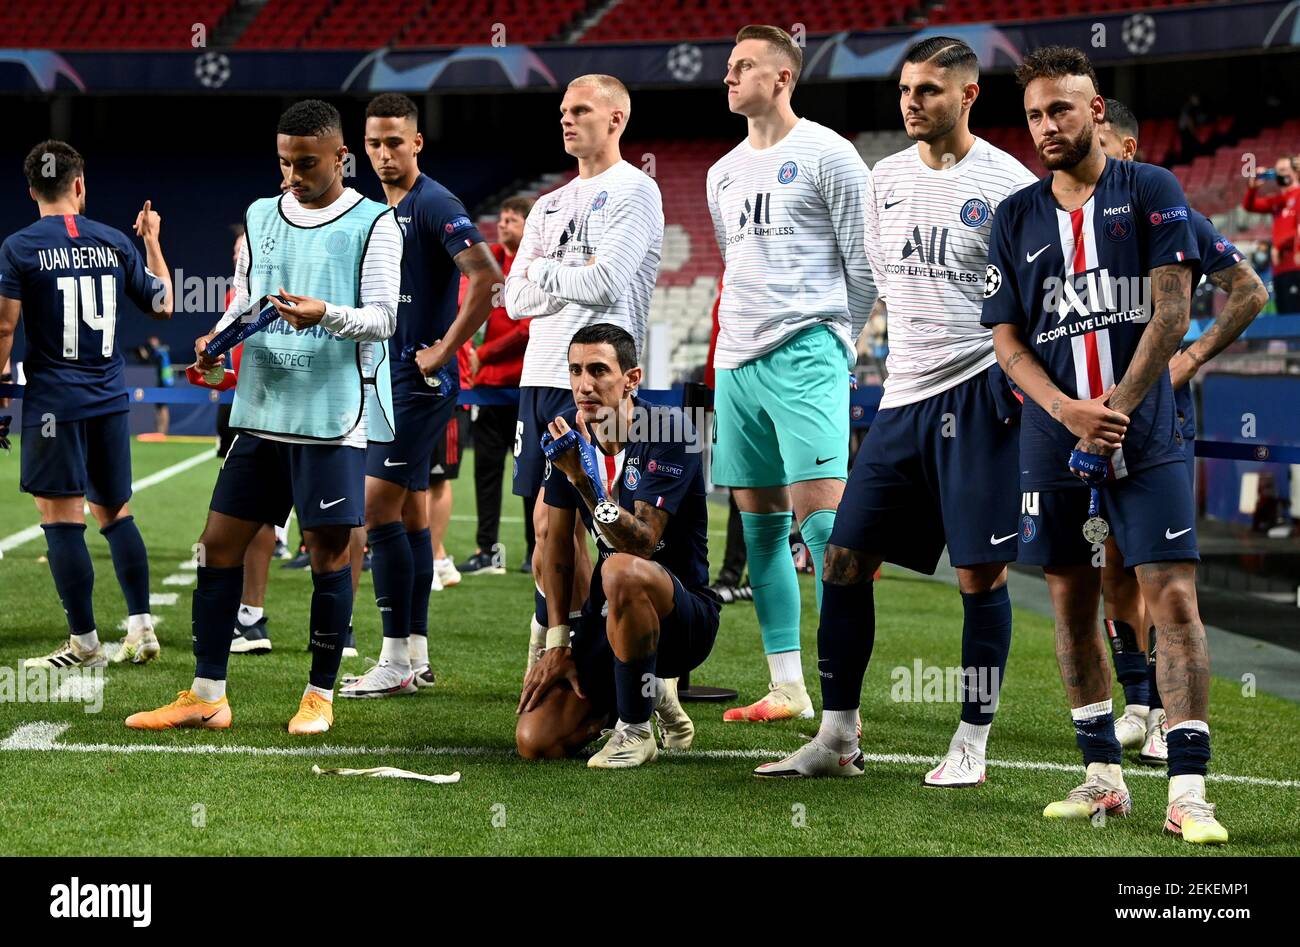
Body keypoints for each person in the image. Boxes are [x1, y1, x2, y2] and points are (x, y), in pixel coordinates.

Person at [755, 37, 1036, 784]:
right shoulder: (883, 178)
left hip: (981, 395)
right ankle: (838, 736)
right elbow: (882, 275)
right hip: (901, 398)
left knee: (980, 575)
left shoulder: (1010, 183)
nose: (912, 102)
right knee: (844, 560)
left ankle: (972, 741)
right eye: (907, 90)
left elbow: (1031, 303)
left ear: (969, 96)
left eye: (930, 91)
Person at [981, 47, 1227, 844]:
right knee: (1070, 601)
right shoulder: (1014, 216)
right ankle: (1102, 776)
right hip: (1053, 439)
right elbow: (1008, 340)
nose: (1047, 126)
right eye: (1034, 115)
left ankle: (1188, 791)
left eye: (1061, 109)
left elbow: (1172, 310)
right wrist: (1065, 410)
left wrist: (1113, 409)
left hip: (1146, 432)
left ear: (1094, 111)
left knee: (1175, 600)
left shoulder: (1150, 188)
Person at [125, 99, 402, 735]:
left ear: (340, 157)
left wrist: (325, 313)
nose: (294, 174)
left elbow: (385, 319)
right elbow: (247, 300)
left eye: (307, 163)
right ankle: (207, 694)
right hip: (261, 412)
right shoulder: (259, 214)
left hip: (333, 416)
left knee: (328, 551)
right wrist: (216, 343)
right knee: (217, 545)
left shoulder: (375, 223)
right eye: (284, 162)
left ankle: (318, 695)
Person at [706, 25, 876, 721]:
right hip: (735, 360)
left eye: (742, 66)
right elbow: (732, 263)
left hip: (808, 351)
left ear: (781, 77)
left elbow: (864, 265)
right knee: (760, 530)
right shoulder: (720, 172)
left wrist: (839, 342)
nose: (728, 77)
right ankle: (788, 685)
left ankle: (842, 704)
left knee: (824, 528)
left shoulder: (830, 153)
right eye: (727, 66)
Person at [1095, 98, 1267, 762]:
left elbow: (1249, 290)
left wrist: (1189, 358)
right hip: (1096, 422)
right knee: (1109, 560)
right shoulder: (1072, 226)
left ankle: (1172, 714)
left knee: (1161, 576)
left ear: (1130, 150)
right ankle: (1137, 702)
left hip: (1158, 425)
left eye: (1100, 140)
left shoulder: (1171, 216)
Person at [339, 92, 499, 698]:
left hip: (417, 382)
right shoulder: (376, 209)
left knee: (375, 508)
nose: (384, 155)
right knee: (404, 513)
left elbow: (486, 278)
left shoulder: (434, 203)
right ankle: (416, 654)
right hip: (386, 378)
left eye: (394, 143)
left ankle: (393, 659)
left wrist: (444, 348)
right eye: (374, 145)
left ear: (417, 144)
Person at [504, 73, 664, 673]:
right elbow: (513, 298)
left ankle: (613, 656)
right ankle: (554, 647)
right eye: (562, 111)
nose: (566, 120)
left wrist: (544, 273)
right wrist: (554, 281)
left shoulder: (635, 191)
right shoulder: (547, 203)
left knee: (601, 523)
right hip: (540, 373)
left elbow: (605, 284)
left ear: (616, 119)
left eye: (580, 110)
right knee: (549, 528)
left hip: (596, 380)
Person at [0, 139, 173, 669]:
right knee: (116, 512)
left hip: (55, 404)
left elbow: (4, 327)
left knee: (60, 518)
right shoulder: (114, 240)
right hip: (109, 399)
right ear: (79, 185)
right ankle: (142, 627)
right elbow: (164, 304)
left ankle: (85, 643)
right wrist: (151, 242)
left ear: (32, 191)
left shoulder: (19, 247)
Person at [515, 323, 715, 767]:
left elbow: (643, 542)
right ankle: (644, 688)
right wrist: (558, 643)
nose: (584, 385)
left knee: (620, 569)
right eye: (575, 370)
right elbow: (559, 549)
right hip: (610, 613)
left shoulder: (670, 430)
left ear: (631, 378)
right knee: (535, 741)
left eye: (599, 370)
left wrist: (583, 480)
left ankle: (635, 730)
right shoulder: (568, 434)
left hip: (683, 619)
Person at [459, 197, 535, 577]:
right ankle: (487, 550)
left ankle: (534, 551)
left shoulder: (534, 266)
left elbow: (528, 326)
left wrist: (483, 353)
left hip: (521, 388)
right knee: (486, 474)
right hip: (487, 390)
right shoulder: (491, 262)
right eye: (502, 218)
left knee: (529, 475)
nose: (503, 224)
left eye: (512, 219)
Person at [1241, 154, 1299, 313]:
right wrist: (1253, 188)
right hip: (1280, 268)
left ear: (1295, 172)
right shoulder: (1278, 200)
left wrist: (1279, 245)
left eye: (1284, 170)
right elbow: (1249, 206)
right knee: (1285, 318)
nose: (1281, 174)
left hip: (1296, 265)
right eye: (1278, 171)